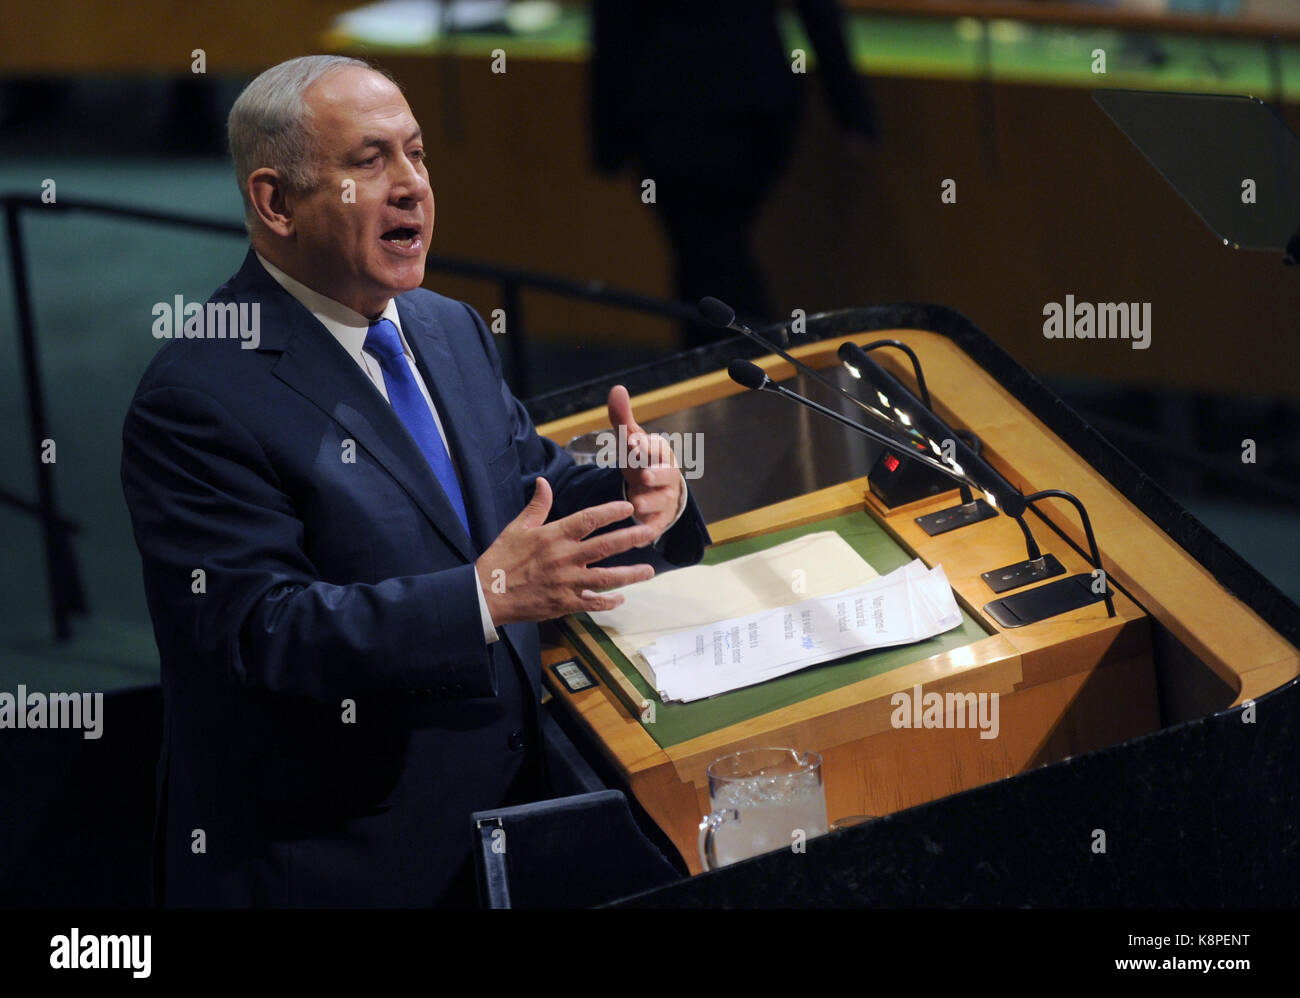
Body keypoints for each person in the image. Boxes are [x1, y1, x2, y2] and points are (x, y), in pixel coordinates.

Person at [120, 55, 710, 907]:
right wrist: (483, 594)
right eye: (369, 162)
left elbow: (521, 489)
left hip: (511, 824)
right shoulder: (198, 395)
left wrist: (637, 498)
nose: (412, 187)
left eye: (419, 154)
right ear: (275, 202)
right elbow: (262, 635)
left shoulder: (447, 329)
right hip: (343, 868)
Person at [590, 0, 878, 348]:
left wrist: (606, 141)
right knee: (709, 260)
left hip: (675, 112)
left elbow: (612, 23)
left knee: (707, 260)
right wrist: (852, 108)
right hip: (749, 102)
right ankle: (743, 366)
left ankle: (738, 366)